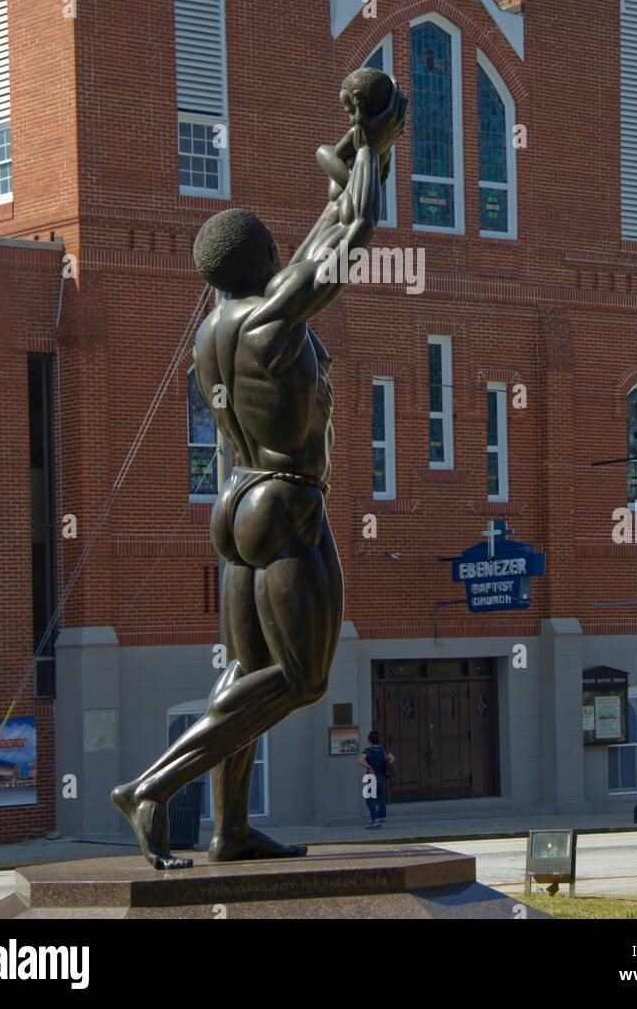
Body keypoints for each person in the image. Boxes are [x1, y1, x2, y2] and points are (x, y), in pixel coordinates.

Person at [111, 73, 407, 870]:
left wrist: (354, 158)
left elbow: (323, 237)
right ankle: (153, 787)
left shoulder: (218, 327)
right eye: (278, 248)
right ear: (263, 259)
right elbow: (354, 235)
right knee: (302, 678)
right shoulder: (274, 320)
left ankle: (230, 831)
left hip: (234, 499)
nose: (288, 252)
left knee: (246, 671)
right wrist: (375, 152)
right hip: (286, 502)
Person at [358, 730, 395, 828]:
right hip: (382, 776)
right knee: (381, 797)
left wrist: (369, 767)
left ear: (369, 740)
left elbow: (360, 761)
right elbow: (392, 758)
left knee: (368, 798)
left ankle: (376, 821)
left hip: (372, 776)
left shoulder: (368, 751)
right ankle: (381, 817)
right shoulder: (383, 751)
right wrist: (387, 765)